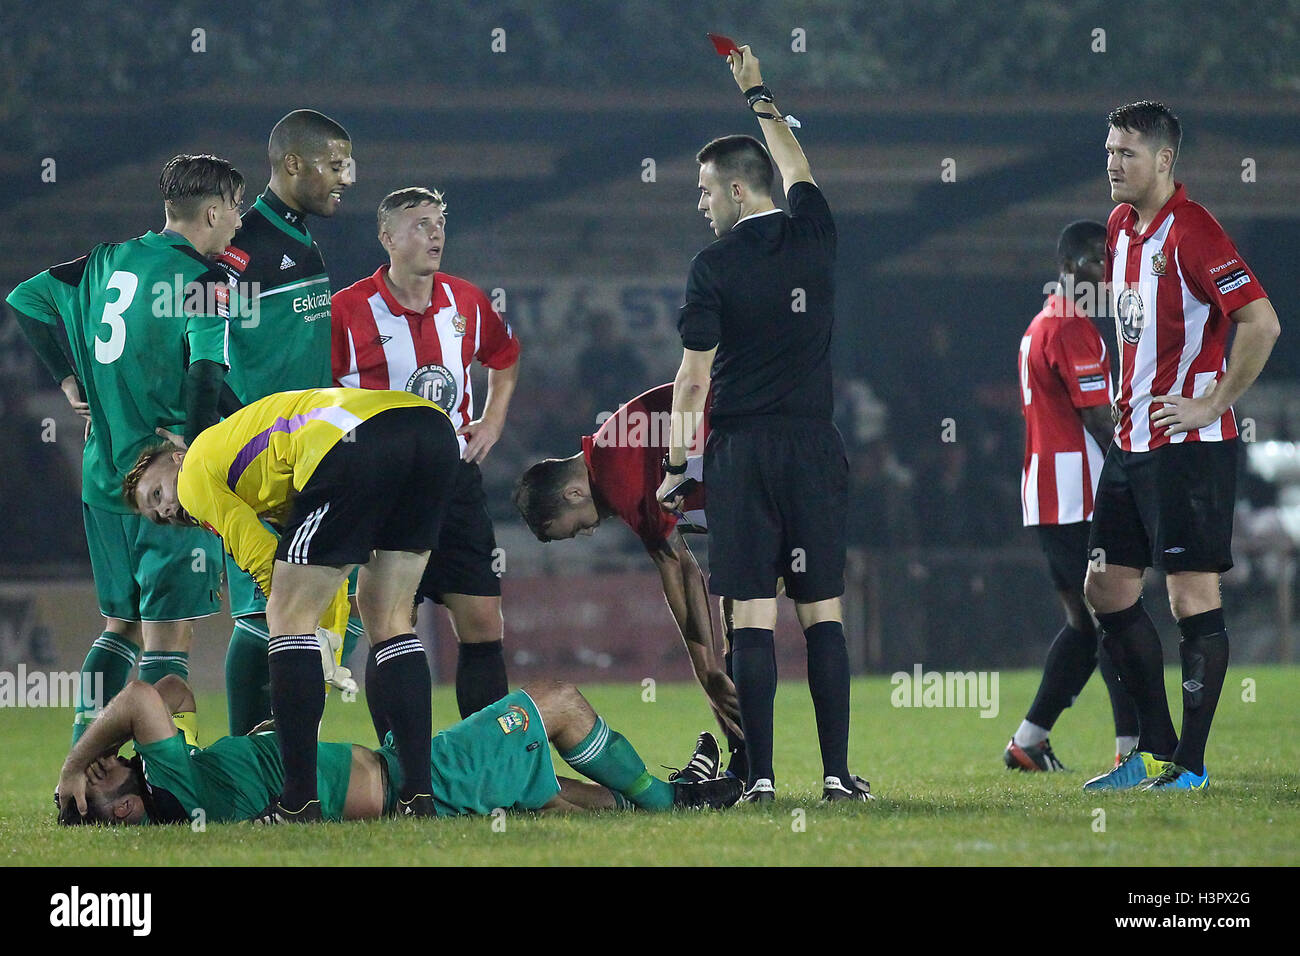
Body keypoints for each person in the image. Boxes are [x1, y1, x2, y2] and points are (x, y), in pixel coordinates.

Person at [655, 44, 869, 803]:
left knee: (748, 613)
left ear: (738, 191)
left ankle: (765, 778)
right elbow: (797, 163)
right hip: (814, 447)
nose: (702, 204)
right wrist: (757, 94)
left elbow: (692, 380)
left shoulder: (712, 268)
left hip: (743, 453)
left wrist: (678, 468)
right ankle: (839, 775)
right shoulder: (816, 231)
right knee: (822, 612)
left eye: (707, 190)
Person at [124, 387, 462, 820]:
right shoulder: (249, 467)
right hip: (431, 430)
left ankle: (299, 803)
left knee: (285, 613)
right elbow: (328, 576)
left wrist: (298, 638)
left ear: (175, 456)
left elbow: (263, 558)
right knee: (389, 615)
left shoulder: (193, 476)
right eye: (158, 517)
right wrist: (327, 649)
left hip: (351, 443)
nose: (169, 510)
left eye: (157, 496)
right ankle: (419, 798)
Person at [5, 154, 243, 744]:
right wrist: (195, 446)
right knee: (169, 638)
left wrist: (67, 377)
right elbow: (206, 374)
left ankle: (83, 758)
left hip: (104, 481)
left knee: (120, 626)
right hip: (169, 483)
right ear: (212, 212)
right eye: (236, 210)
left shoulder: (105, 261)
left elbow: (24, 300)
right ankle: (171, 771)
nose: (238, 223)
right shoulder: (207, 281)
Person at [1083, 101, 1280, 791]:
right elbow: (1137, 325)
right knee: (1105, 587)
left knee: (1191, 598)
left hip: (1187, 447)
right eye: (1109, 150)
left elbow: (1261, 321)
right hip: (1131, 441)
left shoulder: (1195, 231)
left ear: (1164, 161)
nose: (1113, 162)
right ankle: (1154, 747)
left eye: (1127, 153)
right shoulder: (1119, 227)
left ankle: (1190, 766)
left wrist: (1213, 402)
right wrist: (1120, 385)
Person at [332, 187, 520, 726]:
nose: (436, 233)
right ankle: (402, 766)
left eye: (439, 222)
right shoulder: (347, 311)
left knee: (483, 624)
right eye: (420, 224)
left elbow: (505, 357)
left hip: (455, 483)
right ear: (387, 237)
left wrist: (492, 421)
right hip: (383, 488)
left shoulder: (465, 302)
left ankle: (483, 764)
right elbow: (316, 395)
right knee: (393, 626)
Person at [56, 675, 742, 824]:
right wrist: (69, 769)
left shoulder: (179, 784)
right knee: (557, 705)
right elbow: (145, 698)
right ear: (121, 812)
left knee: (552, 796)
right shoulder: (181, 788)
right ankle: (673, 797)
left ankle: (671, 793)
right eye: (106, 776)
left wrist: (107, 763)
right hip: (412, 779)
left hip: (404, 779)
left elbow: (178, 692)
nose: (108, 760)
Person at [513, 383, 746, 780]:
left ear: (572, 493)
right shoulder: (613, 456)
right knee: (734, 632)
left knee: (740, 634)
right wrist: (708, 668)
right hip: (755, 463)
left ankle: (762, 764)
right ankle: (748, 761)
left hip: (763, 455)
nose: (584, 534)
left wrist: (708, 669)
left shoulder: (616, 472)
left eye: (569, 530)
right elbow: (679, 562)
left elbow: (677, 564)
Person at [216, 108, 360, 736]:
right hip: (262, 457)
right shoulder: (240, 247)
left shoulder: (300, 238)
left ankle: (281, 743)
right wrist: (240, 438)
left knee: (337, 613)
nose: (347, 177)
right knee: (265, 612)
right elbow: (199, 350)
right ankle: (254, 754)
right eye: (335, 164)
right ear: (293, 164)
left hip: (313, 451)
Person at [1004, 220, 1139, 772]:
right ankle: (1136, 752)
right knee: (1116, 620)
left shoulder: (1041, 325)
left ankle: (1028, 742)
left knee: (1085, 628)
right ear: (1069, 268)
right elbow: (1096, 419)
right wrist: (1140, 472)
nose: (1109, 273)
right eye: (1099, 263)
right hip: (1079, 496)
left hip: (1048, 495)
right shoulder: (1072, 328)